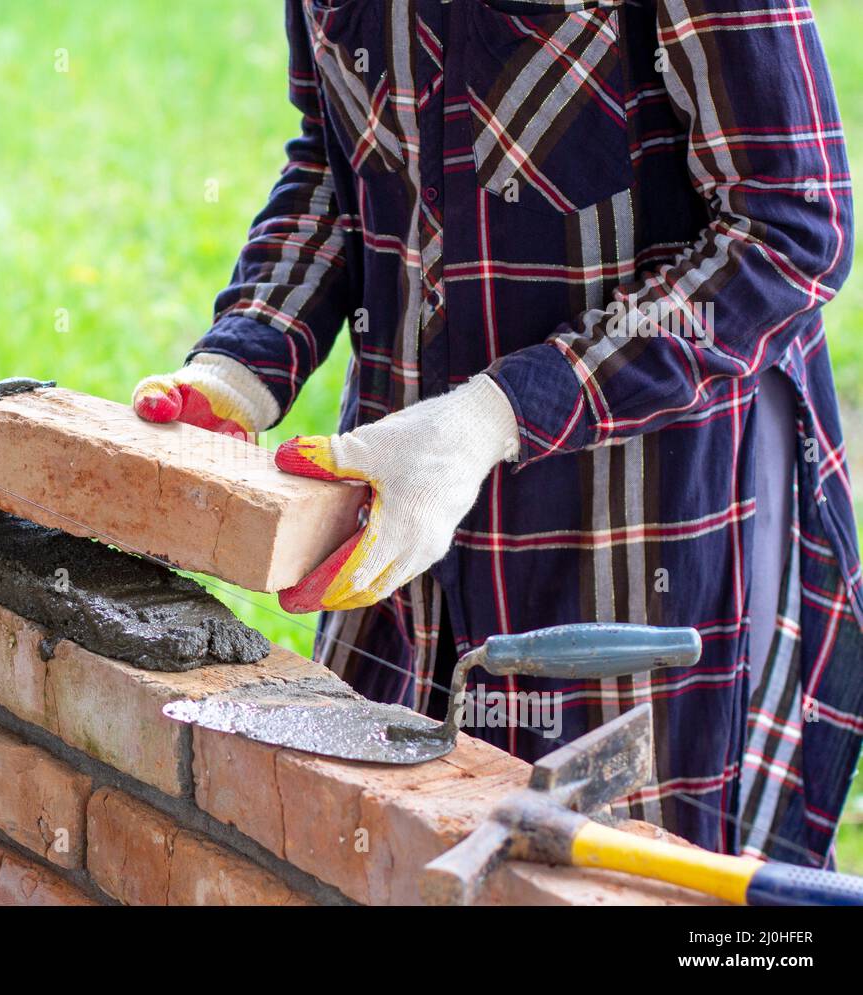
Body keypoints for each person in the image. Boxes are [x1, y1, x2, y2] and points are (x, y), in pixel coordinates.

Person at [131, 0, 860, 866]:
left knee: (624, 874)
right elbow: (338, 163)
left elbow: (787, 228)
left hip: (647, 535)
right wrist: (244, 360)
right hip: (407, 508)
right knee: (381, 849)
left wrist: (496, 415)